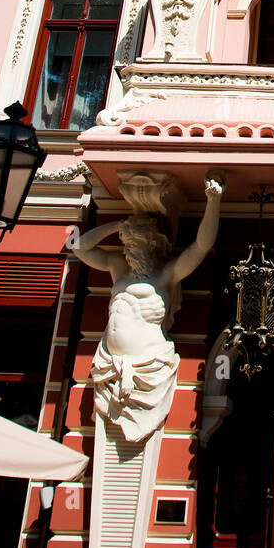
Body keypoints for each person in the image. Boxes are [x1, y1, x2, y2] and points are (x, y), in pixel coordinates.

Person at [76, 174, 225, 442]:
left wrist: (213, 200)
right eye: (128, 244)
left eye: (137, 244)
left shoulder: (165, 276)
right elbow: (79, 247)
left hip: (149, 368)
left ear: (155, 244)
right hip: (110, 367)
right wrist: (118, 226)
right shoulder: (118, 267)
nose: (130, 249)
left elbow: (201, 246)